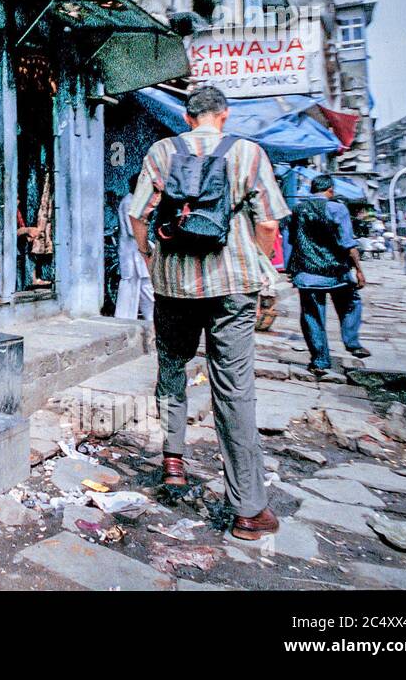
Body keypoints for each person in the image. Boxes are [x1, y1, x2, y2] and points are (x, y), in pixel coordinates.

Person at [128, 85, 290, 541]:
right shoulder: (247, 152)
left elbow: (138, 214)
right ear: (225, 114)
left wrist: (147, 254)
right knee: (234, 388)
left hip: (173, 285)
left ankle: (174, 461)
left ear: (186, 116)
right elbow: (270, 222)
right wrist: (256, 267)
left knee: (172, 367)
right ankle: (247, 509)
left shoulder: (162, 150)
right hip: (232, 285)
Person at [285, 175, 371, 374]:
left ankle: (320, 361)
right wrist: (359, 269)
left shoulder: (297, 210)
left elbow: (291, 242)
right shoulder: (337, 208)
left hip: (307, 273)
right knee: (351, 304)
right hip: (336, 272)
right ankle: (352, 342)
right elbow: (348, 243)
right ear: (330, 190)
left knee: (312, 316)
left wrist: (291, 269)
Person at [115, 173, 154, 321]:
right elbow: (133, 231)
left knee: (142, 285)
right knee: (133, 285)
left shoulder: (132, 201)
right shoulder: (129, 202)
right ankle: (125, 318)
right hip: (132, 251)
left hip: (134, 251)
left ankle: (150, 317)